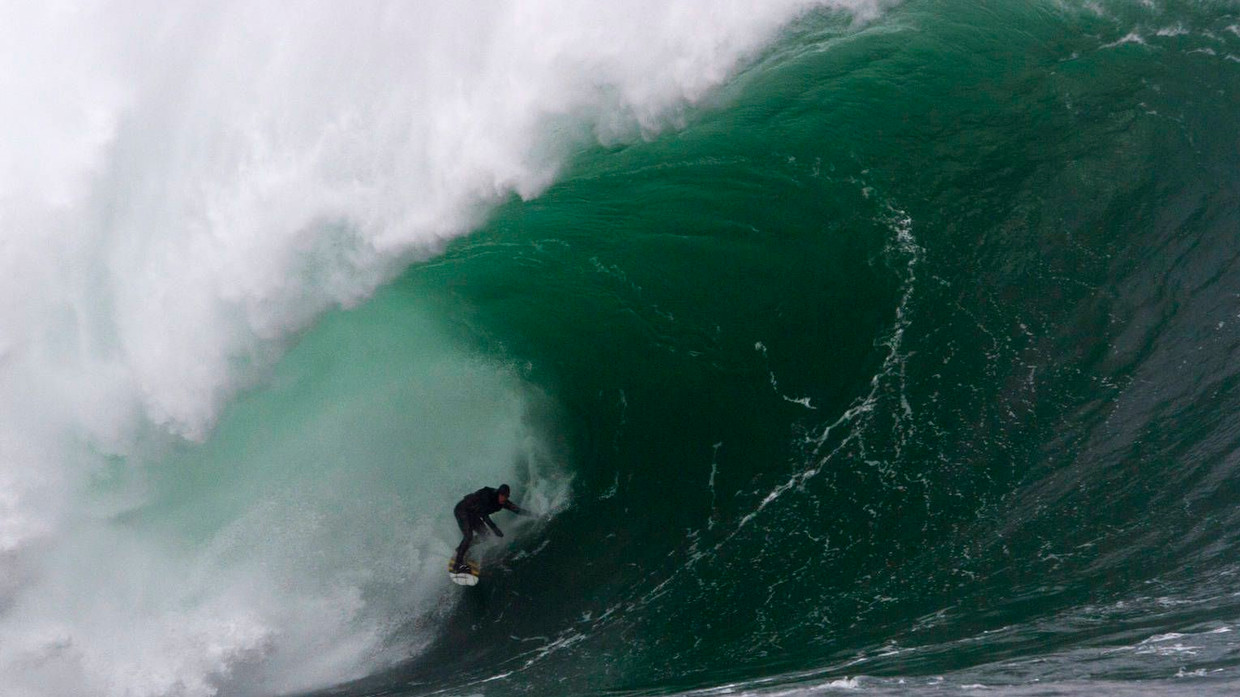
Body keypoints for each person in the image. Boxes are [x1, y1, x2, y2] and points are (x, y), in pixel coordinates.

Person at [452, 483, 526, 573]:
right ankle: (457, 565)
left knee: (485, 536)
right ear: (499, 493)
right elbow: (484, 516)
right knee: (468, 536)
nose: (504, 498)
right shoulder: (488, 496)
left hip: (473, 514)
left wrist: (535, 515)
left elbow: (517, 510)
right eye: (502, 495)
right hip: (462, 510)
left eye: (506, 496)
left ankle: (462, 549)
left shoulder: (504, 502)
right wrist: (495, 529)